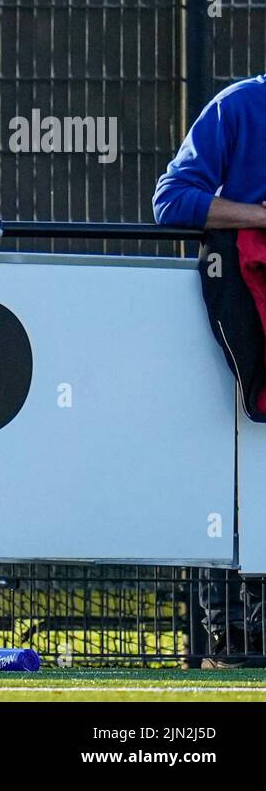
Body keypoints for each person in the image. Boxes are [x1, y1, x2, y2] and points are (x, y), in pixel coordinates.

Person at [153, 73, 266, 669]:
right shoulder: (241, 105)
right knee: (230, 469)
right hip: (240, 321)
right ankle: (232, 636)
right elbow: (171, 202)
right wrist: (257, 217)